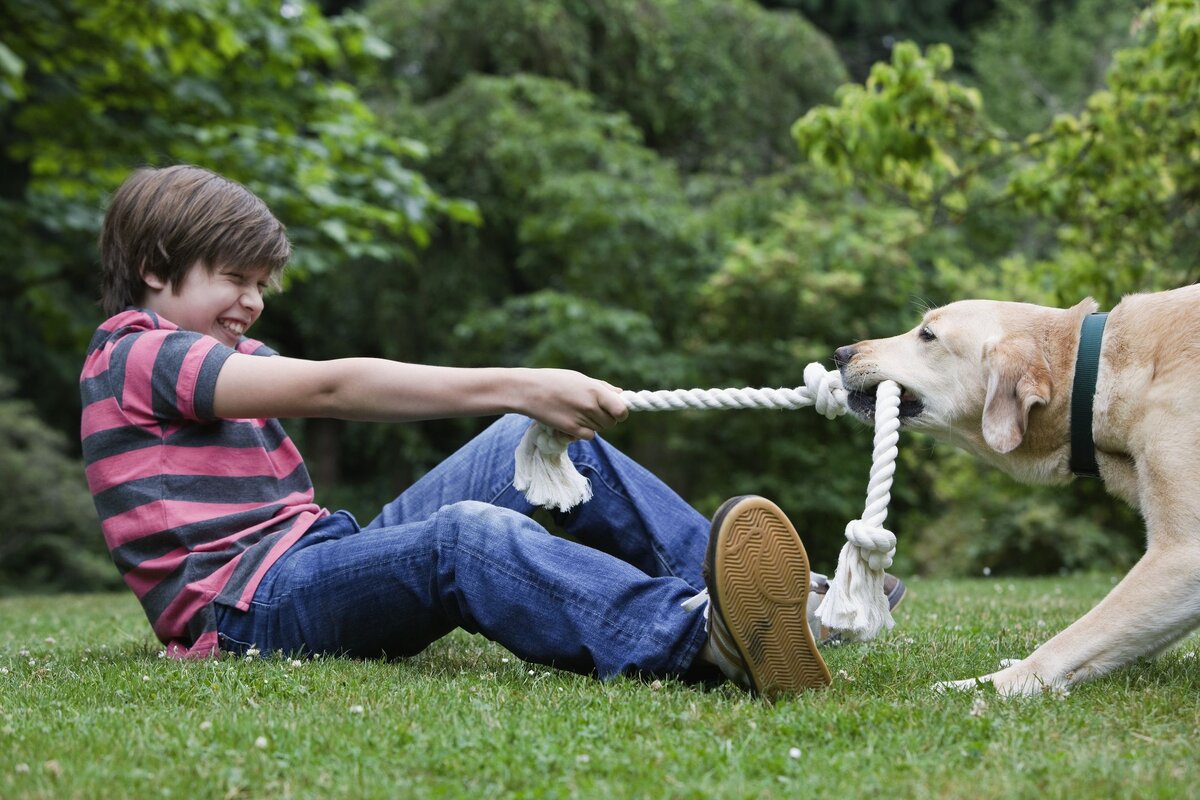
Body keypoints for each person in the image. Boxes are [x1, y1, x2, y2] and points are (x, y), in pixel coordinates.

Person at [81, 165, 904, 701]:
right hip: (247, 613)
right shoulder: (138, 354)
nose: (254, 303)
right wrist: (518, 380)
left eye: (261, 285)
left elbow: (344, 381)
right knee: (463, 540)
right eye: (235, 279)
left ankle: (782, 607)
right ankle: (697, 637)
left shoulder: (213, 351)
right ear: (157, 269)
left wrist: (530, 404)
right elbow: (335, 386)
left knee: (536, 443)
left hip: (309, 560)